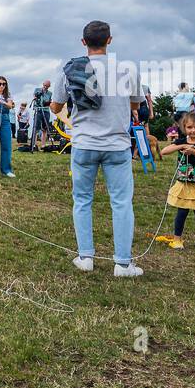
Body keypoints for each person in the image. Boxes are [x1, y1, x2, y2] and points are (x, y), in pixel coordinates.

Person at [49, 20, 143, 277]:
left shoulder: (69, 69)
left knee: (82, 200)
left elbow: (56, 107)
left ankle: (85, 256)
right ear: (109, 40)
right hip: (117, 144)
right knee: (122, 203)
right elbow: (136, 106)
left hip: (84, 143)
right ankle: (123, 263)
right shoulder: (127, 69)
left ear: (83, 42)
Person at [158, 112, 195, 252]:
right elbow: (164, 151)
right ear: (184, 128)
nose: (193, 130)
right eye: (189, 127)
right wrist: (180, 146)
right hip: (184, 184)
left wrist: (194, 151)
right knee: (181, 212)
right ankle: (177, 239)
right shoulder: (180, 141)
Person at [32, 80, 53, 149]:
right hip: (38, 110)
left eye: (47, 86)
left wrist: (48, 103)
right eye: (44, 85)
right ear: (43, 84)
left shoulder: (50, 93)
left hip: (46, 110)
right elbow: (34, 97)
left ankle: (43, 145)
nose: (45, 87)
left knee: (45, 128)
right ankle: (34, 144)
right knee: (36, 128)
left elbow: (50, 102)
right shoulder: (37, 90)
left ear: (49, 86)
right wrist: (35, 97)